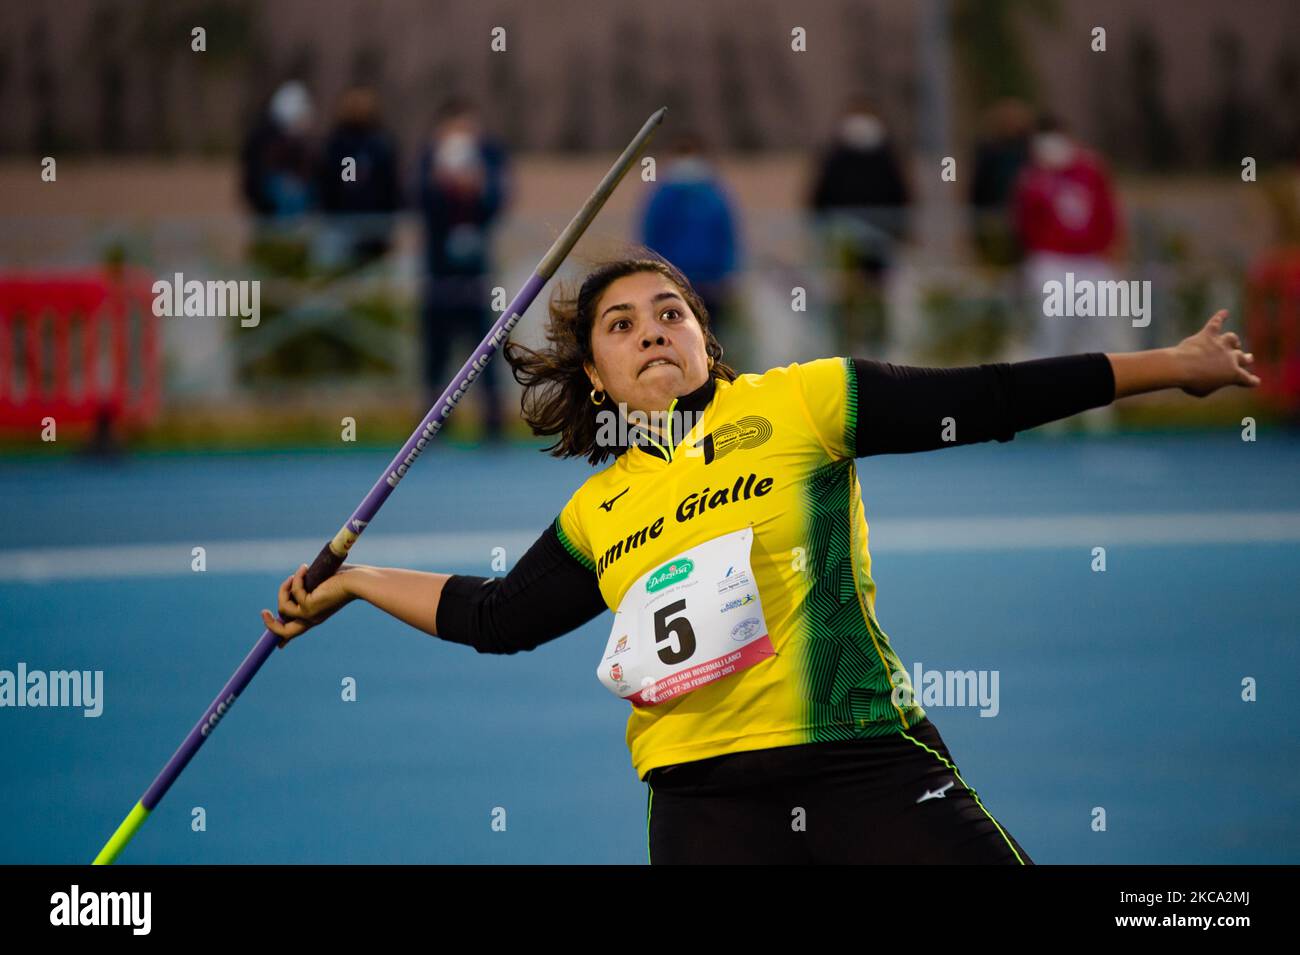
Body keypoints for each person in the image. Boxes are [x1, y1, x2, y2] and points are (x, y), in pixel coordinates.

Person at [260, 253, 1260, 864]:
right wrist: (351, 581)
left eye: (671, 313)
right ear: (593, 370)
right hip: (701, 803)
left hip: (861, 758)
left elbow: (989, 395)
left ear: (705, 340)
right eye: (622, 324)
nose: (652, 329)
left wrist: (1171, 367)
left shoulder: (799, 402)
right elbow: (496, 618)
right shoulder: (599, 507)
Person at [414, 96, 510, 441]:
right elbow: (419, 204)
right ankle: (434, 428)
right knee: (436, 352)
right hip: (439, 272)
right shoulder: (428, 160)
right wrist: (441, 185)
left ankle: (493, 423)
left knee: (485, 347)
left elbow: (499, 203)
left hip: (477, 272)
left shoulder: (489, 158)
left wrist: (479, 188)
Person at [809, 95, 910, 355]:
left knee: (877, 293)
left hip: (880, 239)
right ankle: (844, 349)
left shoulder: (886, 155)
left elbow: (900, 194)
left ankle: (879, 348)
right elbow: (820, 195)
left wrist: (899, 230)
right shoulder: (835, 155)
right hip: (842, 240)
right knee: (845, 294)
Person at [638, 131, 742, 365]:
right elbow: (651, 237)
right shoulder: (664, 197)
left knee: (712, 338)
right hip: (674, 282)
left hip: (709, 283)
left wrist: (727, 273)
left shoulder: (713, 195)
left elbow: (726, 236)